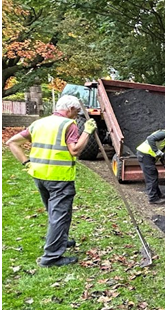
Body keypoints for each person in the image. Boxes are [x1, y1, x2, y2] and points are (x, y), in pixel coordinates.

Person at [5, 94, 98, 267]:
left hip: (39, 176)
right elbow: (76, 150)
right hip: (59, 178)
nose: (77, 115)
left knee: (54, 213)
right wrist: (87, 131)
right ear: (70, 109)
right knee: (60, 216)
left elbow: (11, 142)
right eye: (76, 112)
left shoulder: (39, 123)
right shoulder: (68, 125)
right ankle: (51, 257)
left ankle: (60, 240)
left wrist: (26, 163)